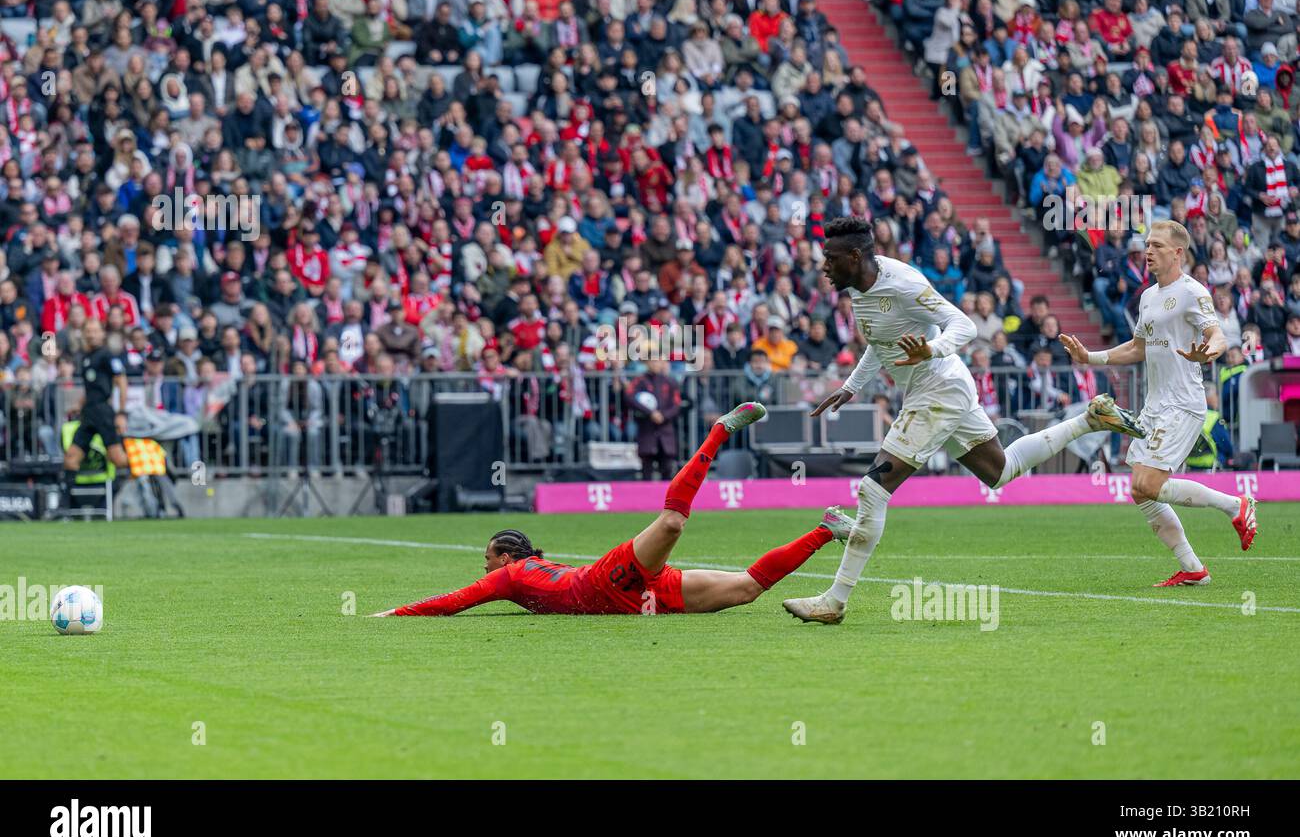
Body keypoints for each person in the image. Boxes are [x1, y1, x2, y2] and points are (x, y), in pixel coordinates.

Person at [781, 217, 1145, 624]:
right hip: (941, 388)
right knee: (999, 471)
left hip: (938, 389)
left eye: (830, 259)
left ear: (854, 256)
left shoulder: (902, 282)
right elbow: (879, 343)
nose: (823, 267)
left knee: (872, 490)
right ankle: (1089, 419)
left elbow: (964, 324)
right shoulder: (859, 289)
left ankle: (835, 601)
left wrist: (931, 350)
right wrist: (852, 385)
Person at [373, 403, 852, 616]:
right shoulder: (529, 571)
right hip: (644, 600)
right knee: (747, 590)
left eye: (487, 558)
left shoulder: (511, 576)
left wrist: (397, 611)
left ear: (504, 557)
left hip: (609, 582)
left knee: (671, 520)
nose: (483, 567)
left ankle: (718, 433)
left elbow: (455, 602)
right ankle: (827, 528)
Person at [1061, 220, 1257, 587]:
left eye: (1156, 245)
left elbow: (1217, 336)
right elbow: (1138, 347)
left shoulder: (1192, 292)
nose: (1148, 251)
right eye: (1147, 244)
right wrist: (1091, 357)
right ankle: (1194, 569)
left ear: (1177, 252)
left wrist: (1207, 355)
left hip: (1183, 404)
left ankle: (1235, 505)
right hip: (1155, 405)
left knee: (1149, 484)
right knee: (1139, 489)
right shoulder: (1148, 297)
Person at [62, 317, 130, 502]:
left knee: (117, 459)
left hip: (103, 413)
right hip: (89, 414)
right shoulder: (85, 358)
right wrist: (79, 404)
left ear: (102, 333)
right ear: (84, 333)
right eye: (88, 331)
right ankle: (66, 508)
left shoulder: (108, 356)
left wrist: (122, 413)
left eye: (95, 330)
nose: (91, 334)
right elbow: (91, 388)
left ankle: (148, 467)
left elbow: (121, 382)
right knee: (71, 458)